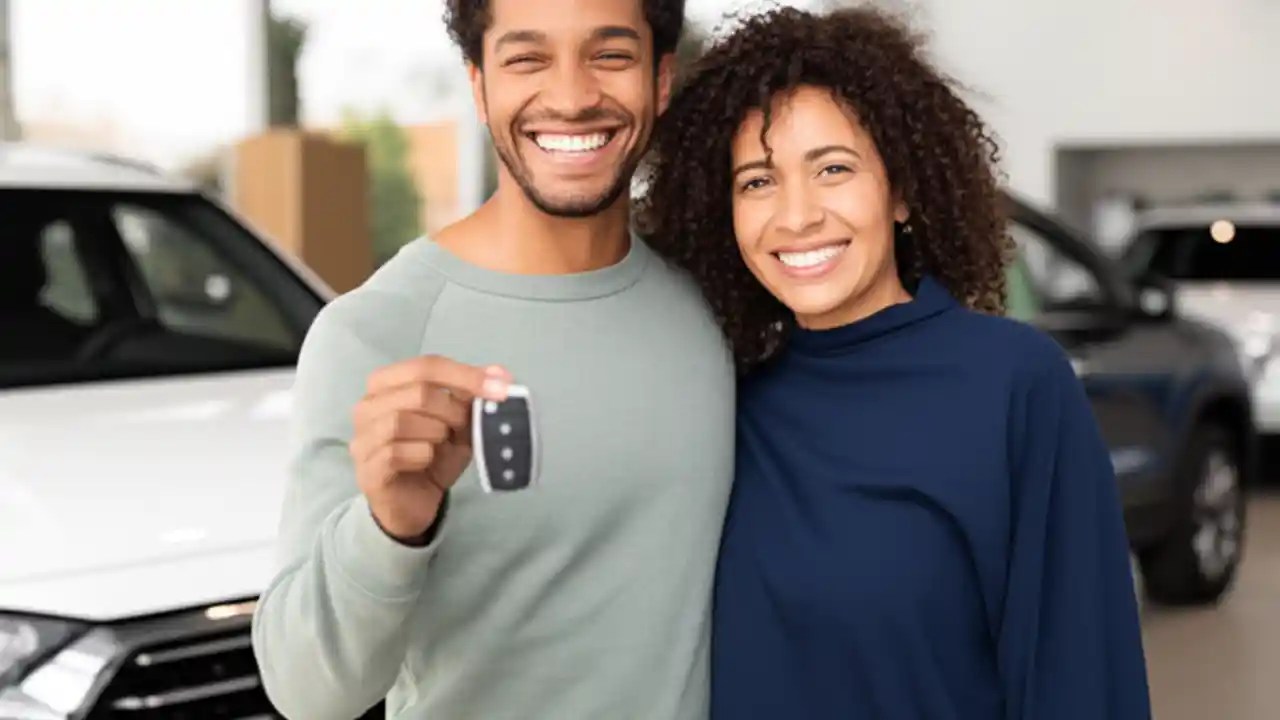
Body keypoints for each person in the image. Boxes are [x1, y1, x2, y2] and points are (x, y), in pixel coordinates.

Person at [637, 6, 1152, 719]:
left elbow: (1081, 676)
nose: (796, 215)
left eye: (834, 169)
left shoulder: (1011, 385)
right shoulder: (723, 391)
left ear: (902, 191)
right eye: (758, 181)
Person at [251, 1, 736, 718]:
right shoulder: (376, 331)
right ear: (478, 85)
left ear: (660, 79)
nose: (571, 98)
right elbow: (305, 694)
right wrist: (390, 525)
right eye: (527, 58)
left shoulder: (711, 309)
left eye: (609, 55)